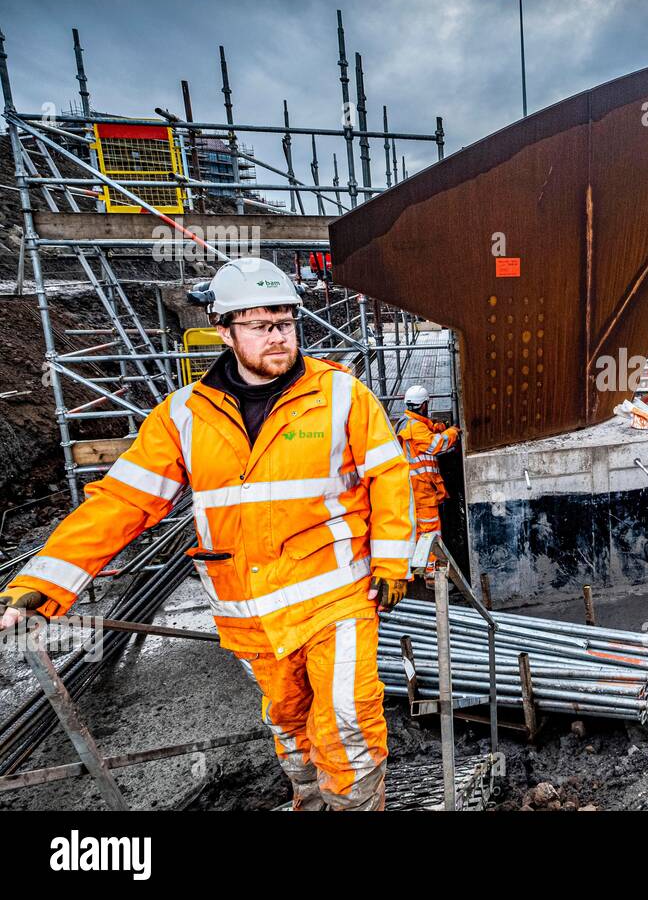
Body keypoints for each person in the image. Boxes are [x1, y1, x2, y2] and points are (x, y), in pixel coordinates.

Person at [0, 257, 414, 811]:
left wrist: (392, 563)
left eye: (286, 323)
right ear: (224, 330)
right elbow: (123, 500)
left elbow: (389, 477)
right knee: (289, 723)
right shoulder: (184, 416)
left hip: (333, 594)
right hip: (247, 611)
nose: (278, 337)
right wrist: (48, 579)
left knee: (346, 717)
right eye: (261, 325)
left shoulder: (340, 395)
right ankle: (311, 800)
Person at [396, 385, 459, 537]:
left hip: (415, 488)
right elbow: (437, 445)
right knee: (430, 533)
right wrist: (452, 432)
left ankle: (424, 560)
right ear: (424, 405)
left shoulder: (407, 421)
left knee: (419, 530)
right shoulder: (415, 427)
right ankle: (432, 561)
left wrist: (440, 427)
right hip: (422, 490)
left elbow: (427, 431)